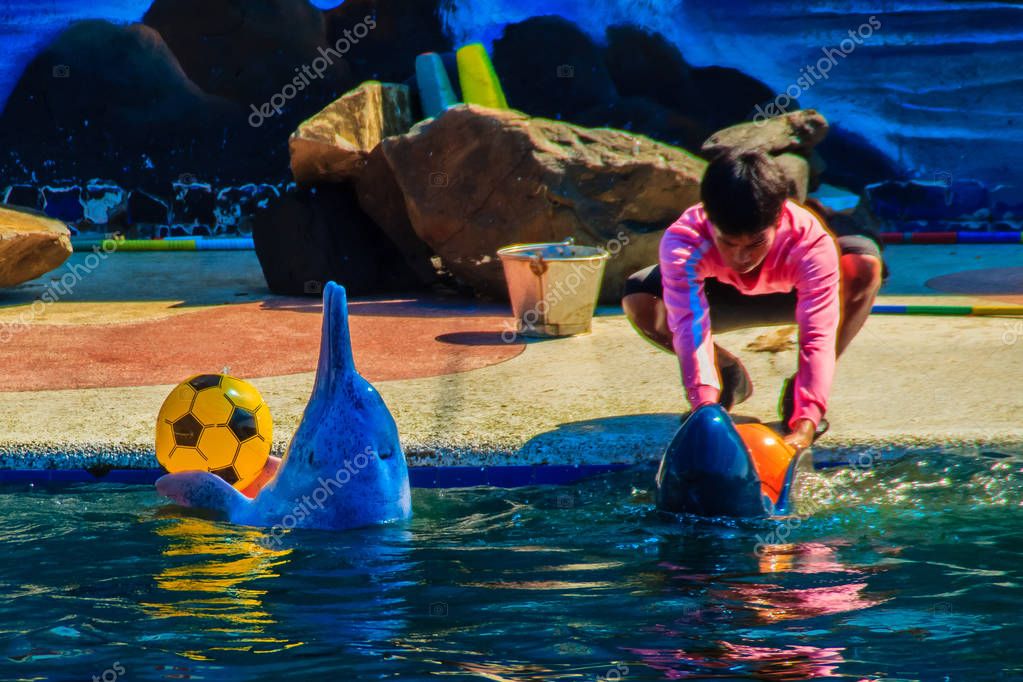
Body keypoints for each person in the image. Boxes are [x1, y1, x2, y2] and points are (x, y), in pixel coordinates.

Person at [622, 149, 884, 453]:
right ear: (710, 222)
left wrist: (806, 421)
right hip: (719, 293)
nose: (741, 257)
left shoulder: (809, 242)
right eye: (728, 242)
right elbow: (690, 327)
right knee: (641, 298)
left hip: (790, 294)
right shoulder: (684, 239)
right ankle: (727, 376)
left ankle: (800, 391)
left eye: (755, 242)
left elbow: (818, 335)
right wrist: (704, 406)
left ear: (779, 218)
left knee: (863, 265)